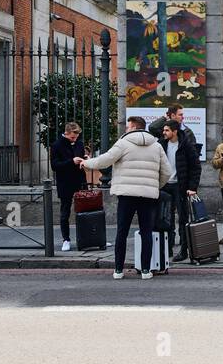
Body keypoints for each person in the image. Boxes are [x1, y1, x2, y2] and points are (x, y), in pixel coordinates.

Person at [83, 116, 171, 279]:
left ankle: (118, 270)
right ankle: (146, 270)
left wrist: (86, 163)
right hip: (148, 195)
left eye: (128, 127)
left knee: (122, 232)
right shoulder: (157, 146)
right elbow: (166, 171)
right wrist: (154, 185)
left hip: (126, 194)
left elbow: (105, 160)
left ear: (134, 127)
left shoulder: (123, 143)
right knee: (146, 232)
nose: (126, 129)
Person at [158, 117, 201, 262]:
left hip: (180, 186)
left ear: (175, 131)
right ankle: (167, 248)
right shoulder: (161, 144)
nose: (164, 132)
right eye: (163, 130)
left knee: (183, 218)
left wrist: (192, 187)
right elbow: (152, 128)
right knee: (165, 218)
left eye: (167, 130)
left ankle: (184, 250)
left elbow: (196, 167)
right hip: (165, 185)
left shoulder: (186, 145)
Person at [49, 121, 88, 252]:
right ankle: (66, 239)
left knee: (85, 210)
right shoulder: (56, 145)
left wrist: (85, 159)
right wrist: (71, 161)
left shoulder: (79, 143)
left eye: (76, 137)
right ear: (66, 133)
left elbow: (80, 156)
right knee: (65, 212)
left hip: (80, 180)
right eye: (72, 137)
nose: (75, 139)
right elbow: (54, 165)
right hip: (65, 182)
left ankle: (90, 237)